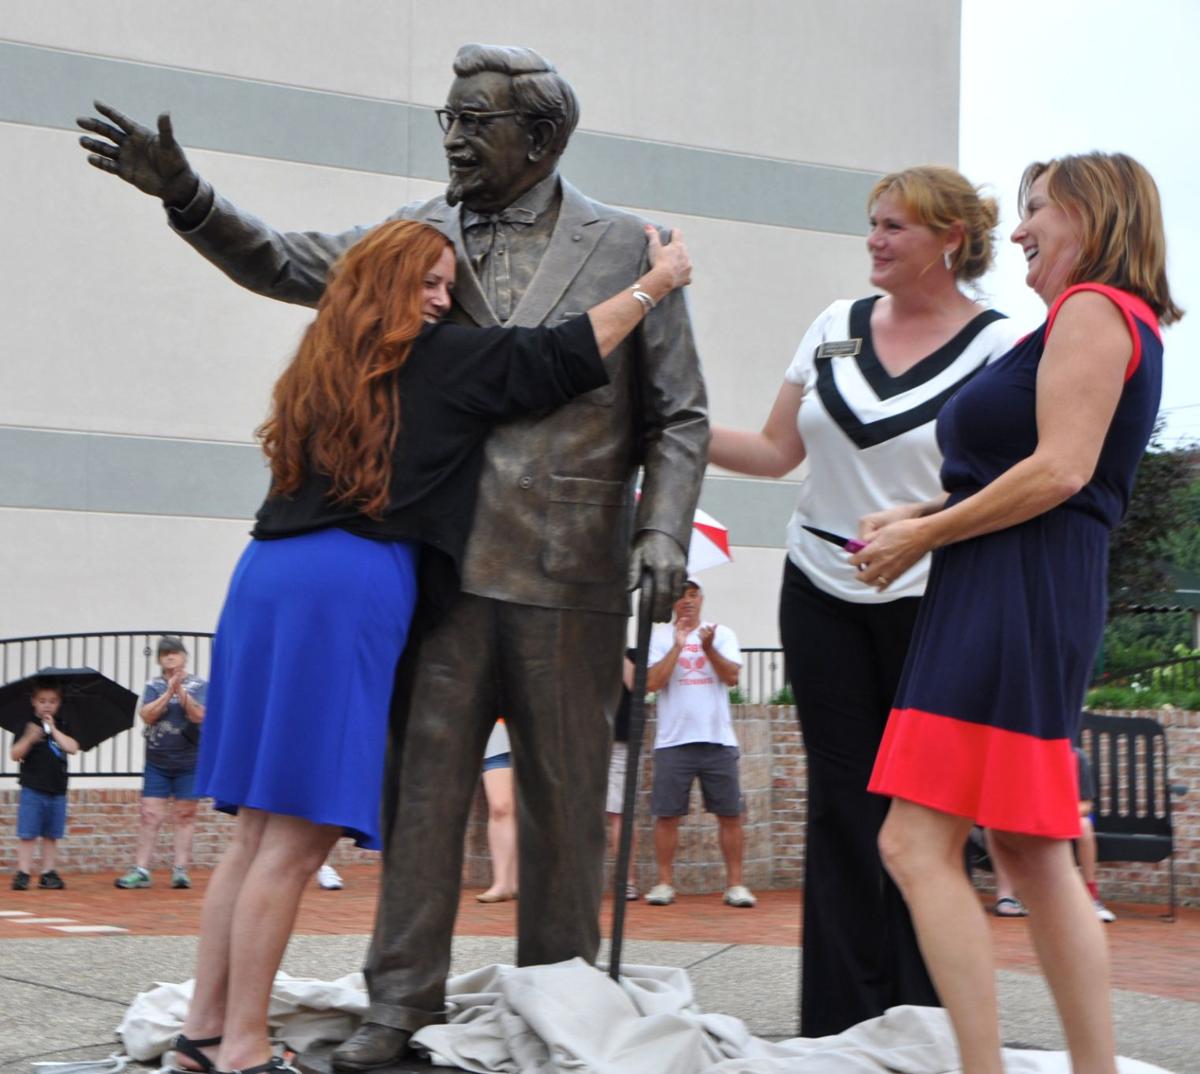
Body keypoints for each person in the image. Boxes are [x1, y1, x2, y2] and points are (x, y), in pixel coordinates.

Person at [78, 43, 707, 1068]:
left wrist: (665, 528)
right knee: (419, 797)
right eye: (446, 119)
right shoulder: (413, 240)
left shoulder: (629, 244)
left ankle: (560, 992)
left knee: (562, 801)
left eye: (474, 122)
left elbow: (679, 413)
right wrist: (191, 199)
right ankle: (396, 1001)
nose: (452, 137)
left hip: (570, 565)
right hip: (428, 575)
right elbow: (281, 261)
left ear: (542, 136)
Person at [861, 151, 1180, 1074]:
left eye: (1037, 207)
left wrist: (925, 536)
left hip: (1013, 591)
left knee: (914, 842)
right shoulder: (1096, 320)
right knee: (1031, 851)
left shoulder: (1093, 309)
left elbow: (1062, 472)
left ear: (1093, 213)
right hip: (1022, 586)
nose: (1020, 229)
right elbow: (1041, 473)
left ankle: (983, 1067)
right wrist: (920, 513)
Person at [708, 165, 1021, 1035]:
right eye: (873, 222)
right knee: (842, 803)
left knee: (922, 817)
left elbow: (1005, 484)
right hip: (819, 590)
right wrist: (674, 427)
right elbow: (776, 453)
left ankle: (922, 1018)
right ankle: (839, 1025)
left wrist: (922, 528)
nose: (874, 240)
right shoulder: (833, 327)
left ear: (950, 239)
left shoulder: (1001, 346)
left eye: (894, 226)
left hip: (933, 595)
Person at [642, 579, 754, 909]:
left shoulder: (721, 633)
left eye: (693, 594)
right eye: (681, 595)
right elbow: (652, 683)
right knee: (667, 815)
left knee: (730, 814)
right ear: (672, 601)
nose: (687, 601)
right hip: (673, 741)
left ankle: (735, 885)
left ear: (702, 598)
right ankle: (664, 883)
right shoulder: (659, 637)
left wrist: (708, 648)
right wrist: (678, 647)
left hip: (718, 740)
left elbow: (732, 677)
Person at [115, 636, 207, 890]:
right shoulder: (153, 685)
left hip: (189, 762)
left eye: (174, 652)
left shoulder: (199, 684)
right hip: (157, 761)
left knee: (185, 815)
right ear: (159, 659)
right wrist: (168, 692)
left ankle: (180, 870)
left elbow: (199, 715)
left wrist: (181, 692)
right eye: (165, 653)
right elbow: (147, 715)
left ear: (184, 657)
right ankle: (141, 869)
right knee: (149, 815)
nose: (170, 656)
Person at [10, 681, 79, 890]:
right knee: (28, 833)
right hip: (33, 788)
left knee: (51, 834)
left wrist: (54, 729)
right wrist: (29, 738)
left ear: (59, 703)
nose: (47, 705)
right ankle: (23, 872)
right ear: (34, 702)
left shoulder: (63, 724)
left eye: (52, 701)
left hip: (57, 789)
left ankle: (48, 872)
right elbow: (15, 754)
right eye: (42, 701)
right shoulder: (27, 725)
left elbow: (72, 747)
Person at [606, 651, 640, 900]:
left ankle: (626, 881)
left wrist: (616, 653)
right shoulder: (576, 652)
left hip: (620, 742)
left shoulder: (630, 655)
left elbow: (638, 686)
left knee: (621, 813)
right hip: (582, 741)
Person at [477, 719, 517, 903]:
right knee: (500, 806)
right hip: (497, 732)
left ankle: (516, 882)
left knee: (532, 809)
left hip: (540, 732)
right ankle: (501, 883)